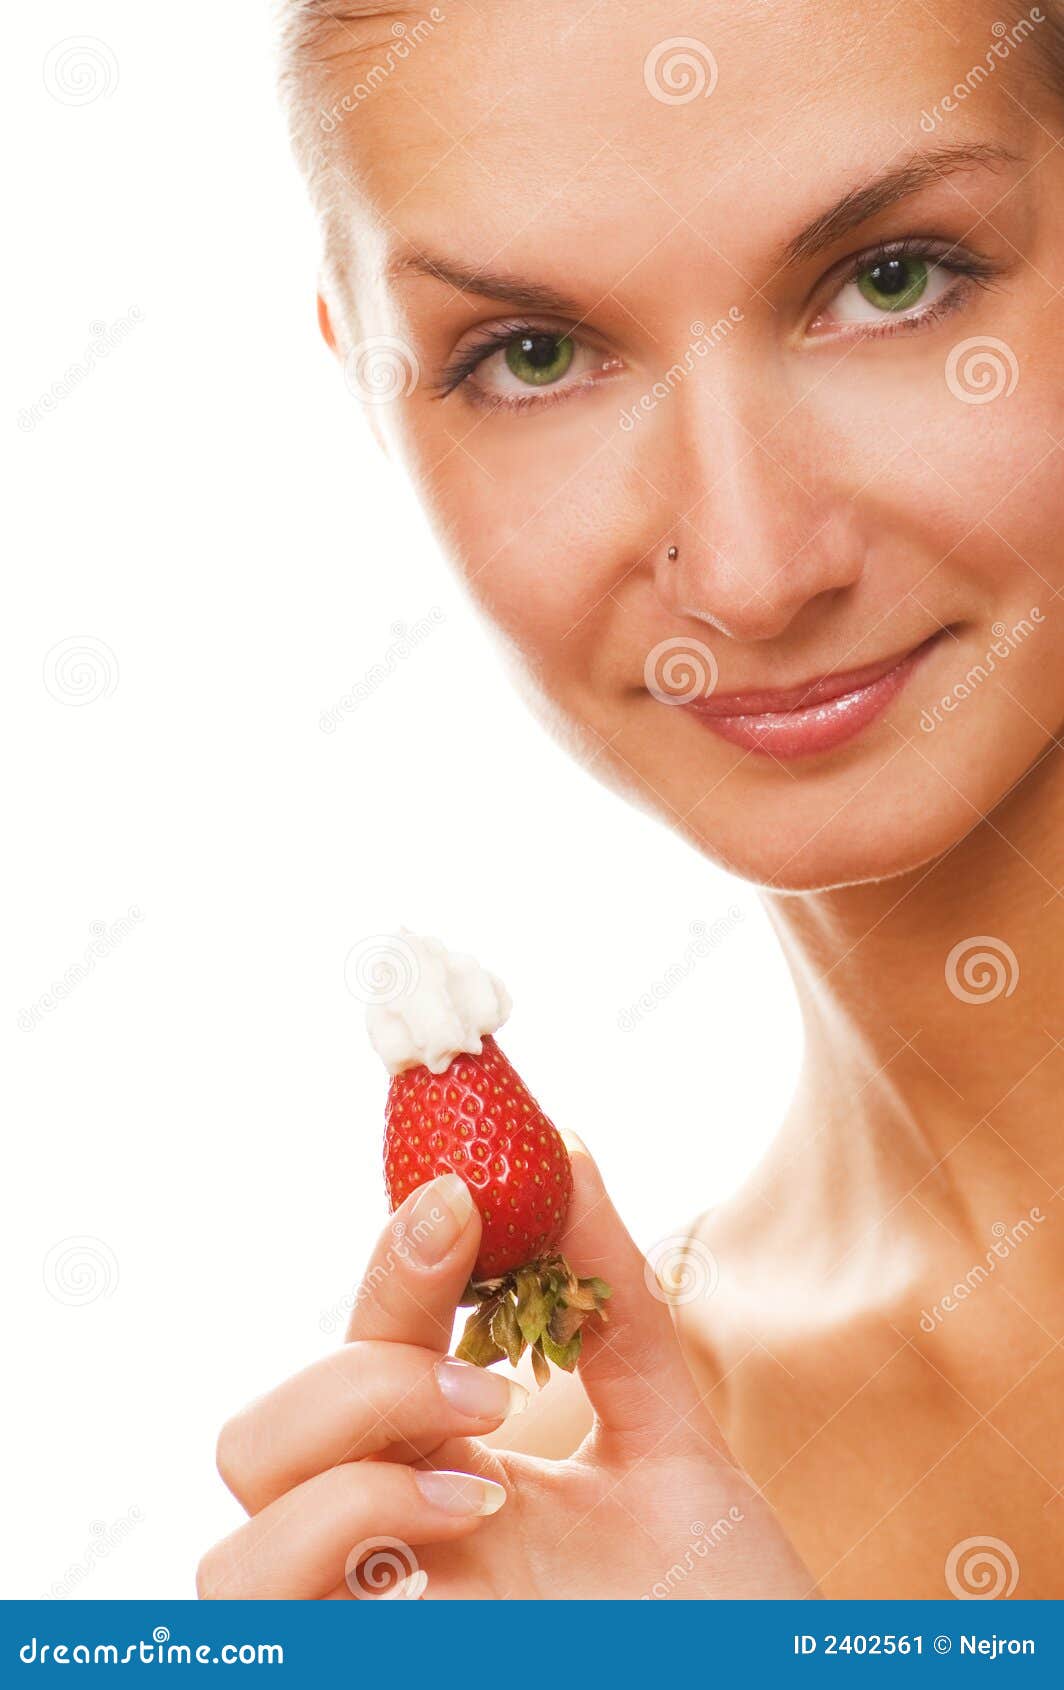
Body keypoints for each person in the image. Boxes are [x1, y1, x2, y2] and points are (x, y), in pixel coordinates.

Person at [198, 0, 1064, 1598]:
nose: (749, 567)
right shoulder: (567, 1528)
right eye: (532, 356)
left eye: (894, 277)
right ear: (373, 401)